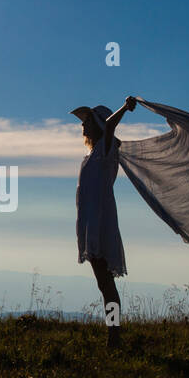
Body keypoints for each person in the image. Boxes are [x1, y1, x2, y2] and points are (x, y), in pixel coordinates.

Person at [71, 97, 137, 348]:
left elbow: (110, 127)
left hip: (101, 221)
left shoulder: (105, 150)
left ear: (98, 124)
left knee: (106, 283)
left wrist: (124, 108)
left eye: (87, 121)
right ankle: (113, 334)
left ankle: (114, 336)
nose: (83, 126)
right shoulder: (92, 154)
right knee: (103, 282)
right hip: (91, 222)